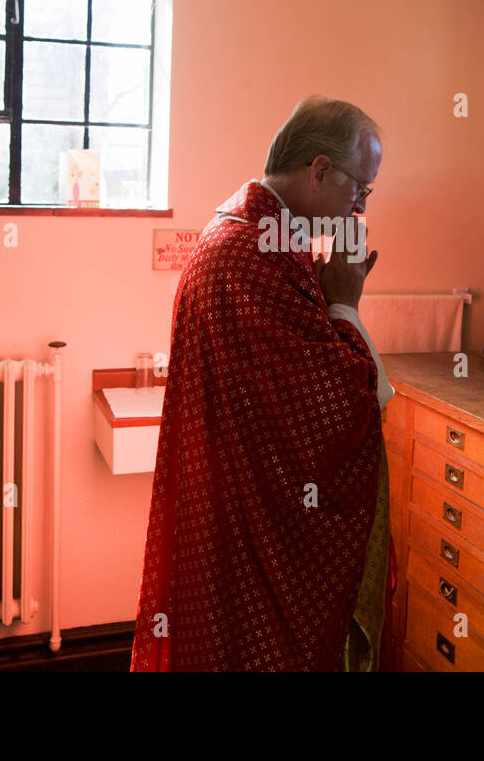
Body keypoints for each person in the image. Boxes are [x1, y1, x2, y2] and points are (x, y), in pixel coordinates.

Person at [130, 95, 394, 671]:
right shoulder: (254, 256)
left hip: (229, 505)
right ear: (320, 170)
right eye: (360, 189)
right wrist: (345, 303)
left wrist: (327, 296)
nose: (359, 209)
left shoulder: (244, 230)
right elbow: (345, 405)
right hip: (249, 528)